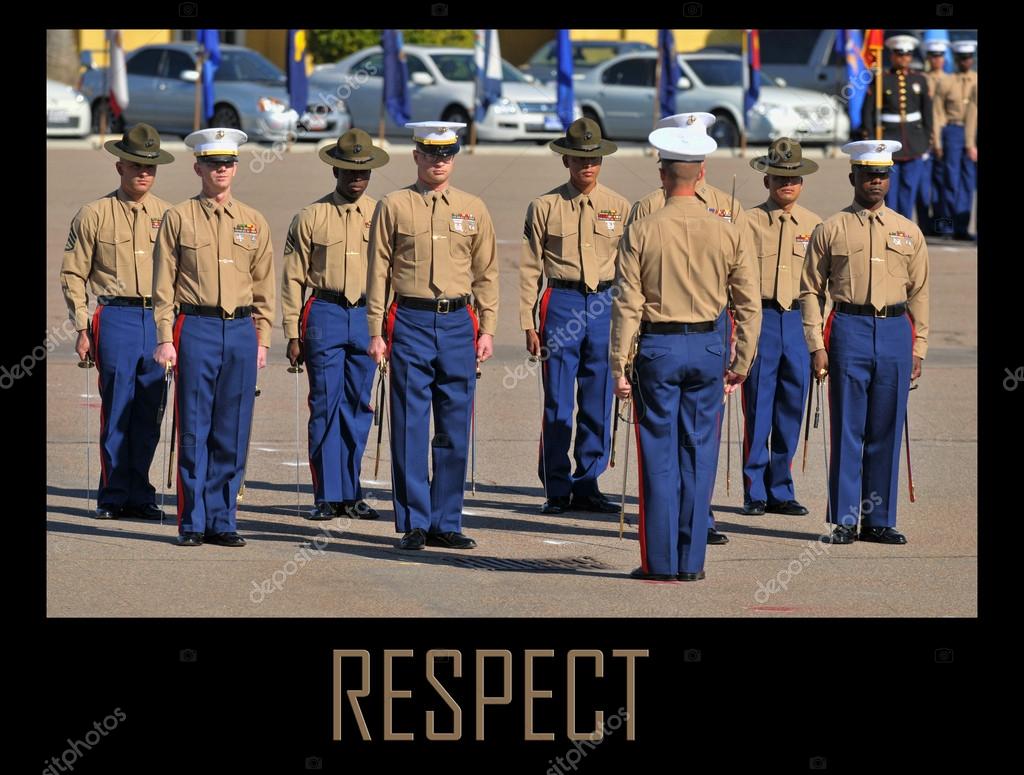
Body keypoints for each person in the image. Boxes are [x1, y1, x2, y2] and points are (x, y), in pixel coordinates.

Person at [610, 126, 761, 581]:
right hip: (708, 346)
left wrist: (619, 363)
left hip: (658, 347)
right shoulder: (728, 230)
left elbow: (627, 304)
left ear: (662, 174)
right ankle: (691, 562)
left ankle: (660, 562)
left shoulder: (641, 229)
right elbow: (747, 303)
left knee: (658, 455)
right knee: (699, 454)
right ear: (702, 173)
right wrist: (741, 362)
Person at [365, 122, 499, 551]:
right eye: (431, 153)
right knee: (409, 422)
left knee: (454, 424)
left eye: (446, 153)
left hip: (458, 322)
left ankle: (447, 519)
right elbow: (378, 273)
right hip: (412, 320)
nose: (439, 161)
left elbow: (487, 273)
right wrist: (375, 331)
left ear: (454, 157)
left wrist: (489, 328)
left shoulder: (473, 207)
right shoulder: (395, 205)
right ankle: (415, 520)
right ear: (417, 156)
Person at [800, 140, 929, 545]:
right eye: (869, 174)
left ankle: (878, 519)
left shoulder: (908, 231)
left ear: (890, 179)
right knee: (847, 427)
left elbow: (921, 292)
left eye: (883, 174)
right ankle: (843, 518)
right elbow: (809, 290)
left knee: (886, 428)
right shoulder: (831, 228)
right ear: (852, 176)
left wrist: (918, 347)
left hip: (894, 331)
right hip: (848, 330)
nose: (876, 181)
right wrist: (815, 343)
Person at [152, 128, 276, 547]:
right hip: (196, 328)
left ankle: (223, 518)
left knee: (233, 427)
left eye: (228, 163)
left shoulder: (253, 220)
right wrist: (165, 337)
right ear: (198, 167)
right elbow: (163, 285)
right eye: (213, 163)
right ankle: (192, 520)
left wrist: (262, 339)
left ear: (235, 167)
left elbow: (264, 286)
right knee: (194, 426)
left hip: (241, 330)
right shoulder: (178, 217)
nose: (221, 170)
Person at [60, 123, 174, 520]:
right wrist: (81, 326)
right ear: (120, 166)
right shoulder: (94, 214)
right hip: (116, 317)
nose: (143, 172)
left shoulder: (169, 215)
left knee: (150, 411)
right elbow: (73, 273)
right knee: (118, 409)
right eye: (136, 165)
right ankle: (112, 494)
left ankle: (140, 493)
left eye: (150, 166)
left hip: (158, 320)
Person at [520, 117, 630, 515]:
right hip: (561, 302)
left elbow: (630, 270)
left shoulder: (619, 207)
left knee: (599, 397)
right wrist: (528, 323)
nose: (588, 165)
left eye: (594, 158)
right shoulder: (545, 206)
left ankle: (589, 481)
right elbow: (531, 267)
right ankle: (555, 485)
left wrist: (629, 326)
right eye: (580, 158)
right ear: (565, 160)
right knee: (558, 401)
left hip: (604, 305)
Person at [280, 129, 389, 521]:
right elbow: (293, 277)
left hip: (366, 316)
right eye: (348, 171)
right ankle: (326, 494)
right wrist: (292, 332)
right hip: (324, 312)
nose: (356, 178)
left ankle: (352, 491)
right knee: (325, 404)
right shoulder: (311, 216)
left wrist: (384, 327)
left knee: (359, 406)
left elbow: (391, 273)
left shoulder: (382, 214)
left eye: (363, 171)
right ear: (335, 171)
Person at [740, 138, 822, 516]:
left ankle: (781, 488)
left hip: (798, 321)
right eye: (778, 177)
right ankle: (754, 489)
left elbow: (822, 286)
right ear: (766, 180)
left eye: (793, 177)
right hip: (761, 319)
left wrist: (817, 337)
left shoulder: (816, 226)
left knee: (791, 406)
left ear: (802, 182)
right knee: (758, 407)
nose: (786, 183)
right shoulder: (747, 221)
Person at [862, 35, 933, 223]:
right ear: (892, 56)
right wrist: (870, 137)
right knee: (889, 188)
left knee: (910, 187)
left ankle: (906, 224)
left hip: (915, 141)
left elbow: (927, 112)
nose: (904, 58)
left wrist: (927, 138)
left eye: (907, 54)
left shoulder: (920, 79)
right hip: (887, 140)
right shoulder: (881, 80)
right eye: (899, 54)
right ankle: (890, 224)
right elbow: (868, 111)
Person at [933, 40, 978, 240]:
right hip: (951, 130)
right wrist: (938, 142)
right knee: (950, 181)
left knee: (968, 182)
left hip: (973, 133)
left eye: (968, 58)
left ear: (972, 60)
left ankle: (962, 228)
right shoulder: (947, 81)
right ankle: (947, 227)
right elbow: (937, 112)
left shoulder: (977, 80)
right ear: (957, 60)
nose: (965, 62)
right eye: (962, 59)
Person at [918, 39, 950, 235]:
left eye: (940, 56)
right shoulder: (921, 79)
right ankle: (924, 225)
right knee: (923, 186)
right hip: (925, 136)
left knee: (943, 185)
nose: (937, 60)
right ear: (928, 58)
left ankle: (942, 225)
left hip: (946, 135)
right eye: (933, 56)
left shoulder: (950, 79)